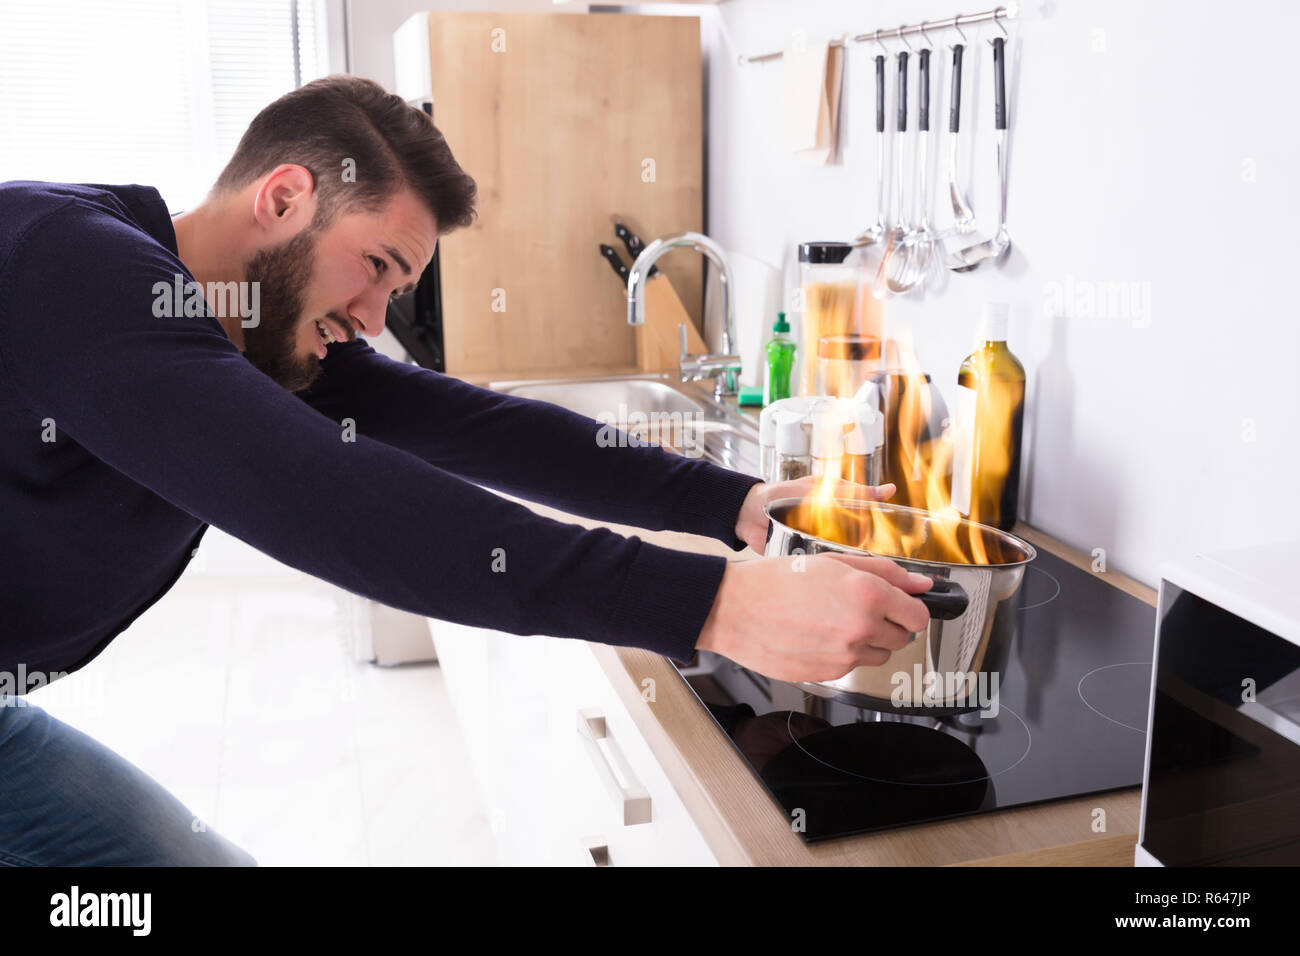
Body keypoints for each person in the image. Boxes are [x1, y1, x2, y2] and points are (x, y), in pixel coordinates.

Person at [0, 75, 931, 865]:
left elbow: (482, 427)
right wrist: (715, 604)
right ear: (282, 198)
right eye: (373, 266)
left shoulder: (249, 332)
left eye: (395, 291)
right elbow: (323, 496)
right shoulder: (69, 266)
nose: (372, 319)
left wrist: (736, 502)